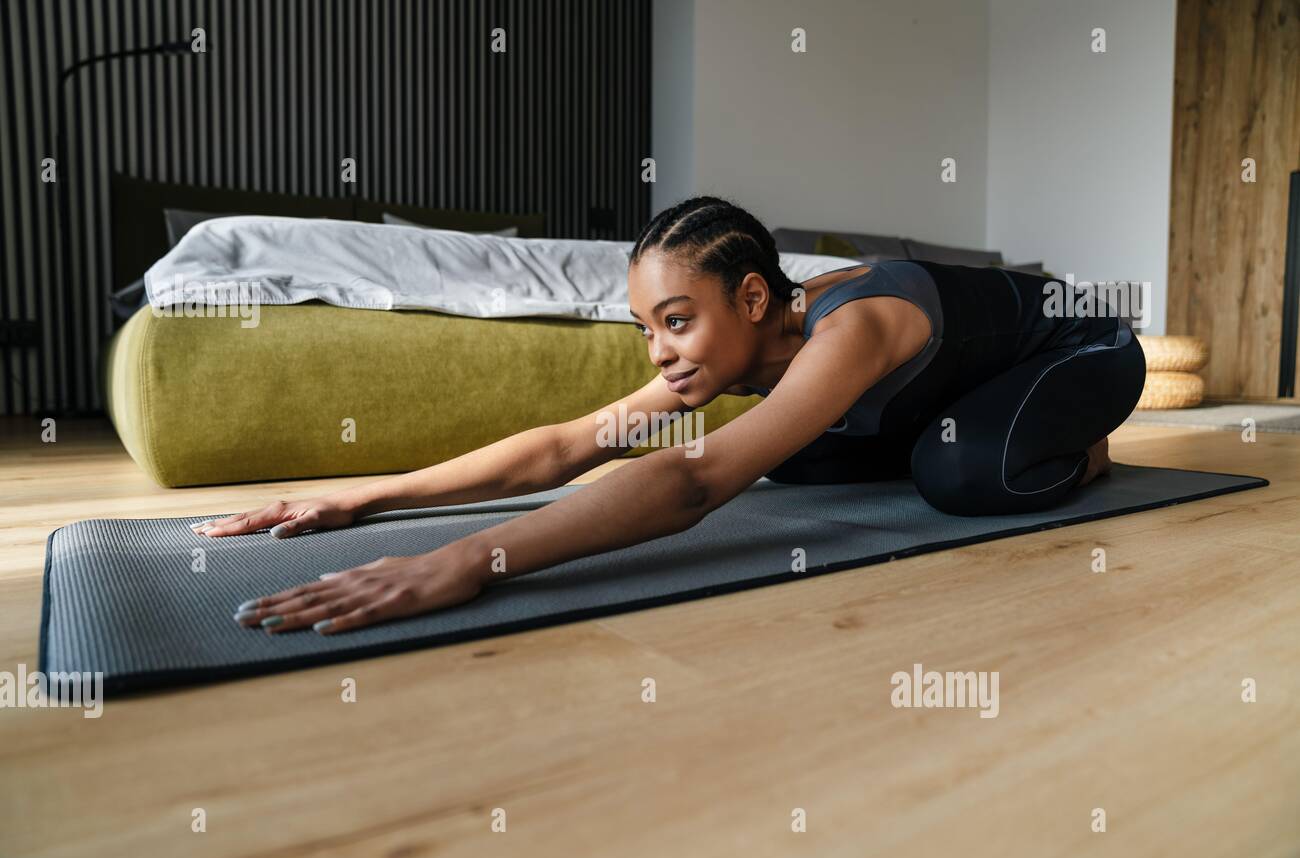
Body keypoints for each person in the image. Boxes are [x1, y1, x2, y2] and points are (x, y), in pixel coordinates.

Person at [199, 195, 1146, 635]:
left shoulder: (850, 328)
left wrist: (464, 560)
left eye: (677, 320)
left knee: (960, 475)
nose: (659, 352)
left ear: (749, 299)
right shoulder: (735, 350)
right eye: (647, 327)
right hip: (946, 382)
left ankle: (1082, 448)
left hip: (1080, 345)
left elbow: (694, 479)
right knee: (802, 459)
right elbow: (572, 446)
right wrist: (366, 500)